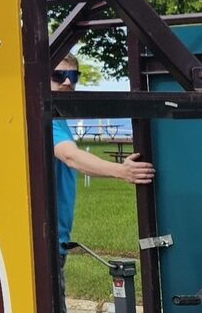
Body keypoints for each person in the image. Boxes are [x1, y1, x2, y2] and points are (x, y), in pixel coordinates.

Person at [51, 54, 155, 313]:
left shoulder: (56, 116)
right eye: (57, 75)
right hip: (46, 240)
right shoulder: (47, 118)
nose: (66, 82)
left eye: (73, 76)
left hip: (54, 238)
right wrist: (122, 171)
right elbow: (70, 155)